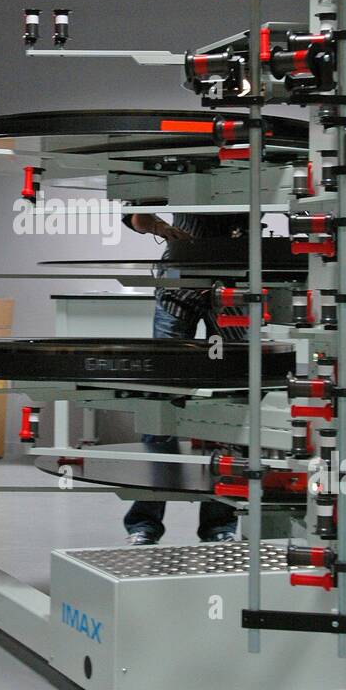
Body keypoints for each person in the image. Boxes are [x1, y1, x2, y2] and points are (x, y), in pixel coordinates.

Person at [122, 210, 249, 546]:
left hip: (235, 281)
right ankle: (145, 523)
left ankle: (220, 524)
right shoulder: (183, 160)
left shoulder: (248, 164)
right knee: (161, 397)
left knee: (234, 401)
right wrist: (161, 227)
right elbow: (134, 212)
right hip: (180, 278)